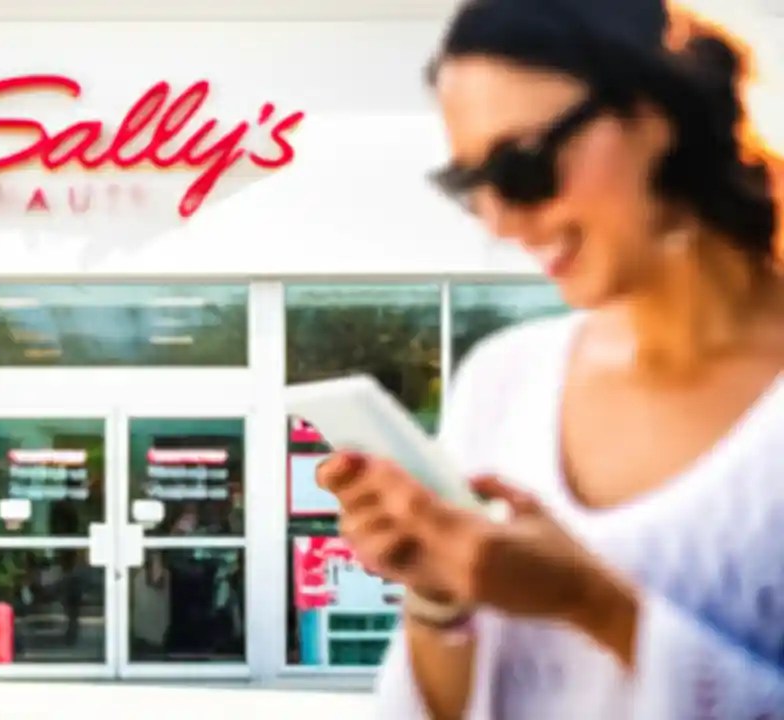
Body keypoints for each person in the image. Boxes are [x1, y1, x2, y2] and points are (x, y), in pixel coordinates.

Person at [316, 0, 784, 717]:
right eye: (469, 187)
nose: (501, 223)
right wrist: (440, 592)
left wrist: (589, 602)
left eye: (523, 167)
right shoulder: (504, 378)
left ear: (655, 115)